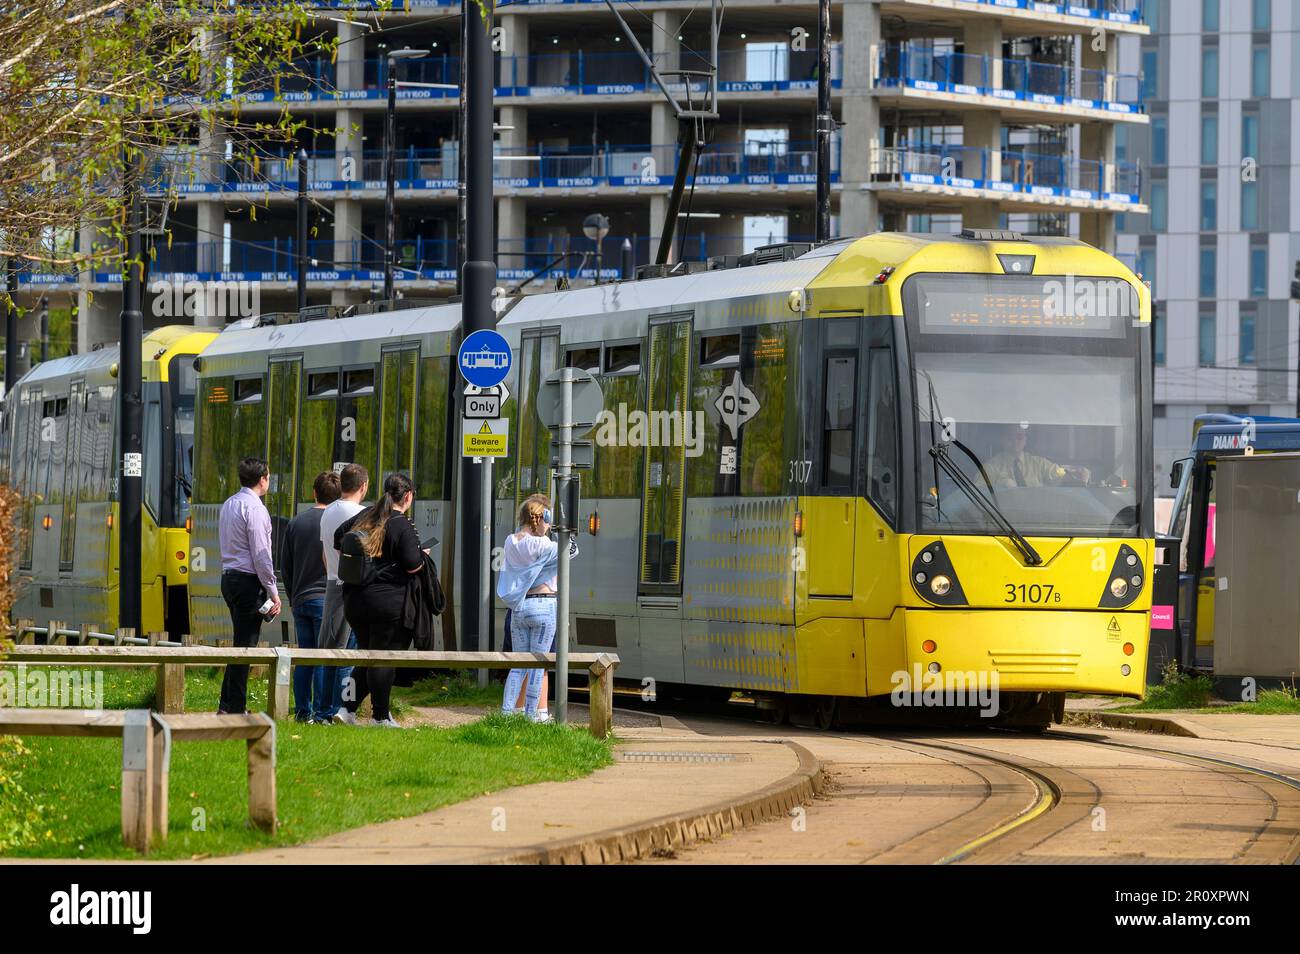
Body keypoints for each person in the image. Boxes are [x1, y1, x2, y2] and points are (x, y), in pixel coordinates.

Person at [335, 473, 426, 728]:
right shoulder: (402, 524)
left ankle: (346, 708)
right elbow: (413, 565)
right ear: (407, 496)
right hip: (387, 604)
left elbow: (338, 539)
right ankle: (380, 716)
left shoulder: (365, 516)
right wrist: (423, 555)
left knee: (367, 655)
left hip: (355, 601)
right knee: (384, 656)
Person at [497, 494, 577, 722]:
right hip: (544, 605)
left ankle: (507, 714)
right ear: (541, 518)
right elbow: (572, 550)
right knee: (538, 663)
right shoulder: (546, 545)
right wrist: (565, 530)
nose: (549, 526)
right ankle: (534, 716)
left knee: (519, 664)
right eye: (548, 521)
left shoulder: (510, 542)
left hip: (519, 607)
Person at [217, 457, 280, 715]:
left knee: (239, 642)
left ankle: (226, 704)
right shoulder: (255, 509)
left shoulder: (230, 504)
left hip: (229, 578)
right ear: (263, 479)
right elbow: (261, 554)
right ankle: (236, 708)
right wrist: (273, 591)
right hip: (247, 581)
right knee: (245, 646)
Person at [281, 471, 341, 723]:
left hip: (301, 599)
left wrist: (293, 597)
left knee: (304, 657)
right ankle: (320, 713)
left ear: (314, 492)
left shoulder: (296, 522)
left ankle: (302, 711)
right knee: (322, 657)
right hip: (324, 599)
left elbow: (286, 565)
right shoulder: (336, 522)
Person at [319, 463, 369, 723]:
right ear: (363, 486)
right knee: (347, 652)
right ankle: (341, 709)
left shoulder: (327, 512)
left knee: (328, 650)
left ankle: (323, 709)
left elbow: (325, 555)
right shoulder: (363, 514)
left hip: (331, 583)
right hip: (354, 587)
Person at [985, 423, 1090, 489]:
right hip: (1000, 519)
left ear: (1025, 440)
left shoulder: (1039, 463)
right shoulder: (990, 468)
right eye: (1009, 437)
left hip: (1038, 519)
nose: (1015, 441)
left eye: (1019, 437)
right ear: (1002, 440)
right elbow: (977, 494)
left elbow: (1058, 472)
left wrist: (1075, 475)